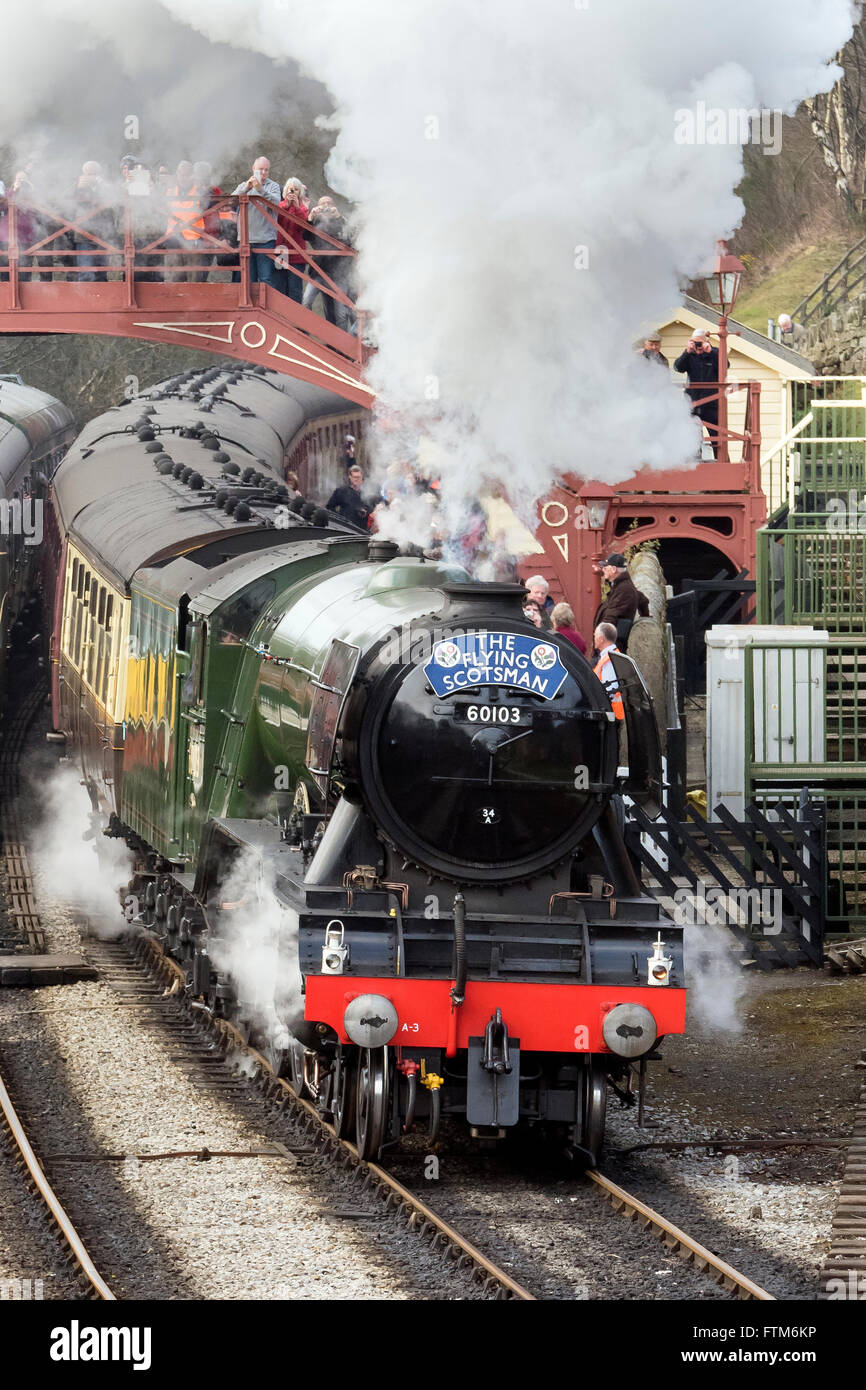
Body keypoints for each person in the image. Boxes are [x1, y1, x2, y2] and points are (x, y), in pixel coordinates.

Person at [302, 196, 352, 329]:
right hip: (319, 272)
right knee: (306, 300)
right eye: (323, 203)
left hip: (339, 273)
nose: (326, 206)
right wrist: (310, 217)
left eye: (329, 203)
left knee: (341, 313)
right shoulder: (316, 221)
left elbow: (348, 238)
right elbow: (305, 236)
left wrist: (338, 217)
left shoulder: (341, 220)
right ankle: (307, 331)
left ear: (334, 205)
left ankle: (341, 341)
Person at [232, 156, 281, 285]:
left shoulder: (274, 186)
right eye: (261, 169)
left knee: (265, 279)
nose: (263, 172)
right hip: (245, 240)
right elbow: (230, 202)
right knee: (248, 279)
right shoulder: (244, 185)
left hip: (265, 240)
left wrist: (260, 190)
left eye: (266, 170)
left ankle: (264, 300)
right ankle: (250, 300)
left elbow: (277, 204)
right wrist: (245, 189)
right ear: (253, 169)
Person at [673, 330, 720, 456]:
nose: (698, 346)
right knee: (693, 438)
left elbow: (725, 366)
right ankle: (695, 463)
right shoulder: (689, 355)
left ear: (706, 341)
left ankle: (721, 460)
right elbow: (678, 367)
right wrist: (687, 351)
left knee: (717, 437)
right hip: (692, 403)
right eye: (695, 342)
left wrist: (710, 351)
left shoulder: (714, 352)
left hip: (712, 403)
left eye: (700, 343)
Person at [592, 553, 649, 652]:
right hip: (611, 646)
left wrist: (599, 638)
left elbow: (611, 617)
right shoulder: (622, 586)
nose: (603, 569)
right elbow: (642, 599)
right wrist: (645, 614)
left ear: (614, 569)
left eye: (605, 567)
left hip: (611, 648)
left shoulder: (624, 589)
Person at [164, 161, 207, 282]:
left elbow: (210, 211)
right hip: (173, 239)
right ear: (177, 175)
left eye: (186, 175)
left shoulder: (201, 192)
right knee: (173, 281)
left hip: (193, 240)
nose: (183, 178)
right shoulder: (169, 192)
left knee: (194, 280)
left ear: (192, 175)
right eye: (181, 174)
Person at [71, 162, 114, 282]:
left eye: (94, 173)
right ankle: (85, 294)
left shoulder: (104, 185)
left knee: (102, 272)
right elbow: (65, 202)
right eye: (88, 173)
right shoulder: (76, 185)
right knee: (85, 272)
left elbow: (114, 200)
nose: (91, 177)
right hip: (83, 234)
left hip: (102, 233)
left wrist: (103, 185)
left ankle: (102, 293)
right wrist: (78, 187)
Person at [275, 177, 311, 303]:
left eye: (296, 190)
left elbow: (302, 228)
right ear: (285, 191)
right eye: (291, 189)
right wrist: (286, 206)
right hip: (281, 251)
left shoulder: (304, 209)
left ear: (300, 192)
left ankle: (295, 314)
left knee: (295, 287)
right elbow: (276, 221)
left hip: (297, 253)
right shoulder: (280, 205)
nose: (293, 192)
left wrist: (296, 208)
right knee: (280, 285)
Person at [592, 622, 625, 720]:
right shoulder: (610, 656)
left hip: (610, 714)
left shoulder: (609, 660)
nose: (594, 638)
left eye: (595, 635)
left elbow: (609, 690)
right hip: (610, 712)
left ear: (601, 639)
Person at [326, 464, 374, 529]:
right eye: (354, 477)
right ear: (350, 477)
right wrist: (340, 518)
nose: (356, 479)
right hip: (346, 528)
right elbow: (329, 507)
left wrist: (366, 512)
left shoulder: (368, 492)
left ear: (362, 477)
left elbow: (374, 508)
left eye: (358, 477)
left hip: (362, 530)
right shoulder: (341, 491)